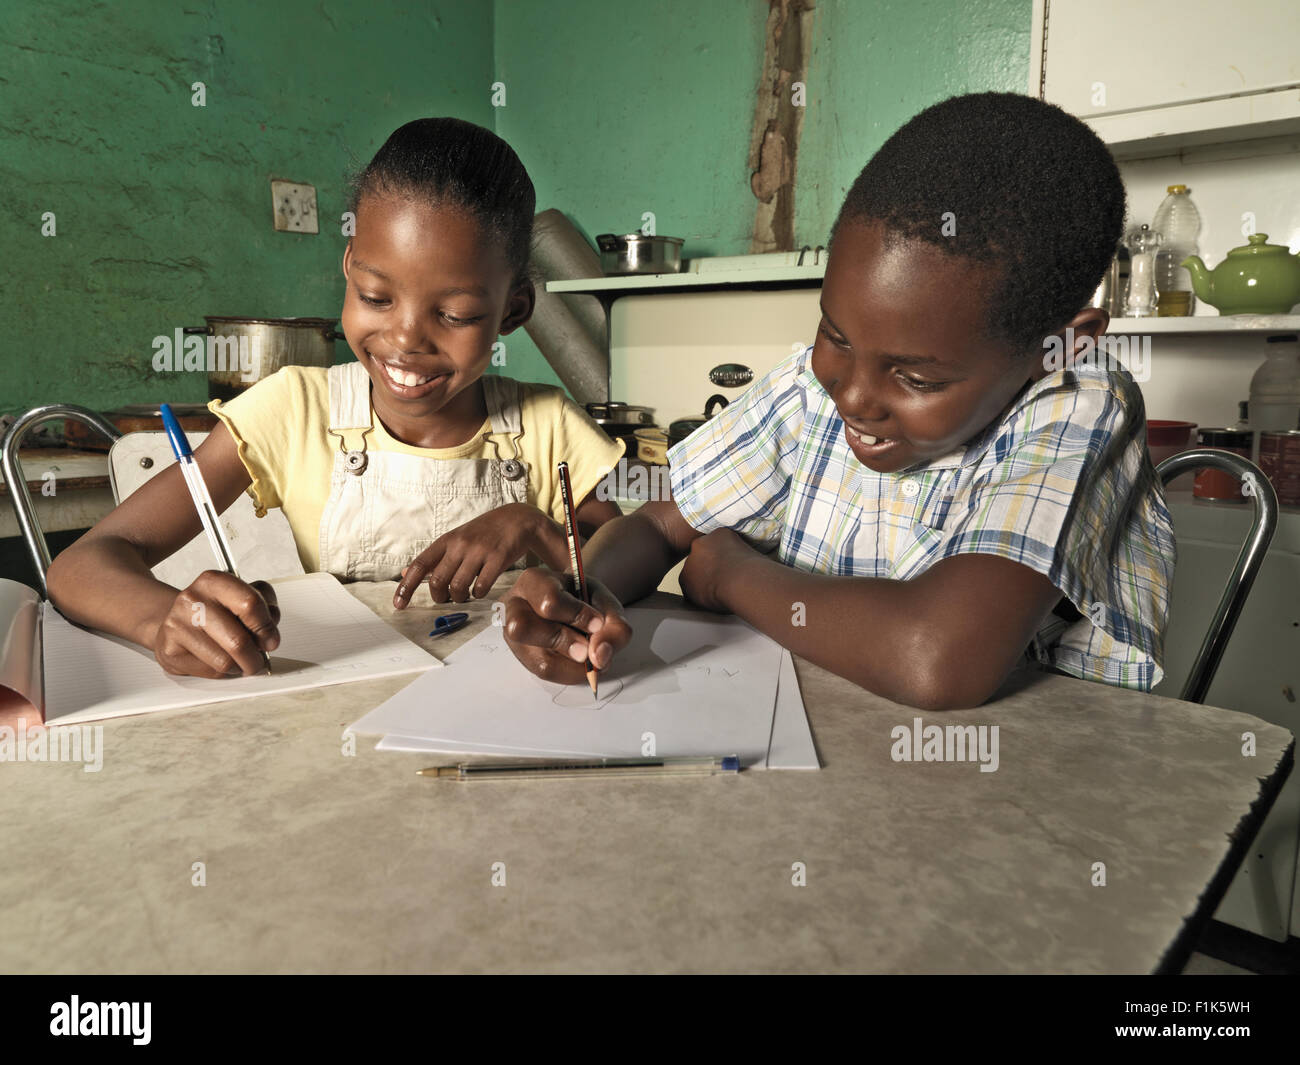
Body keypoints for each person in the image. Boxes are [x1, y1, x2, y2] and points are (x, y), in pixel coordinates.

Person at [501, 92, 1176, 711]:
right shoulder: (811, 391)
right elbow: (658, 523)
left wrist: (729, 570)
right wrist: (582, 590)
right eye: (835, 333)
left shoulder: (1076, 401)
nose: (852, 395)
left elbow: (938, 659)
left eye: (916, 377)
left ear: (1058, 346)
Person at [47, 117, 623, 679]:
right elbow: (82, 566)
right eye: (376, 297)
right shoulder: (291, 410)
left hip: (510, 706)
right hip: (344, 706)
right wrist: (163, 621)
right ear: (349, 270)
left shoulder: (547, 426)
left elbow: (625, 563)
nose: (404, 340)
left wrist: (533, 525)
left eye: (455, 315)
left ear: (513, 311)